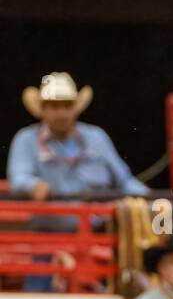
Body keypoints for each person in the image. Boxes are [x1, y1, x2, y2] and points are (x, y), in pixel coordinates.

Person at [7, 72, 147, 203]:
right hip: (51, 227)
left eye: (67, 106)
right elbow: (18, 178)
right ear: (43, 109)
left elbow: (124, 180)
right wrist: (33, 186)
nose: (61, 114)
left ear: (76, 108)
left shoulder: (97, 137)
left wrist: (149, 199)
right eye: (54, 106)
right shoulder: (26, 140)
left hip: (97, 225)